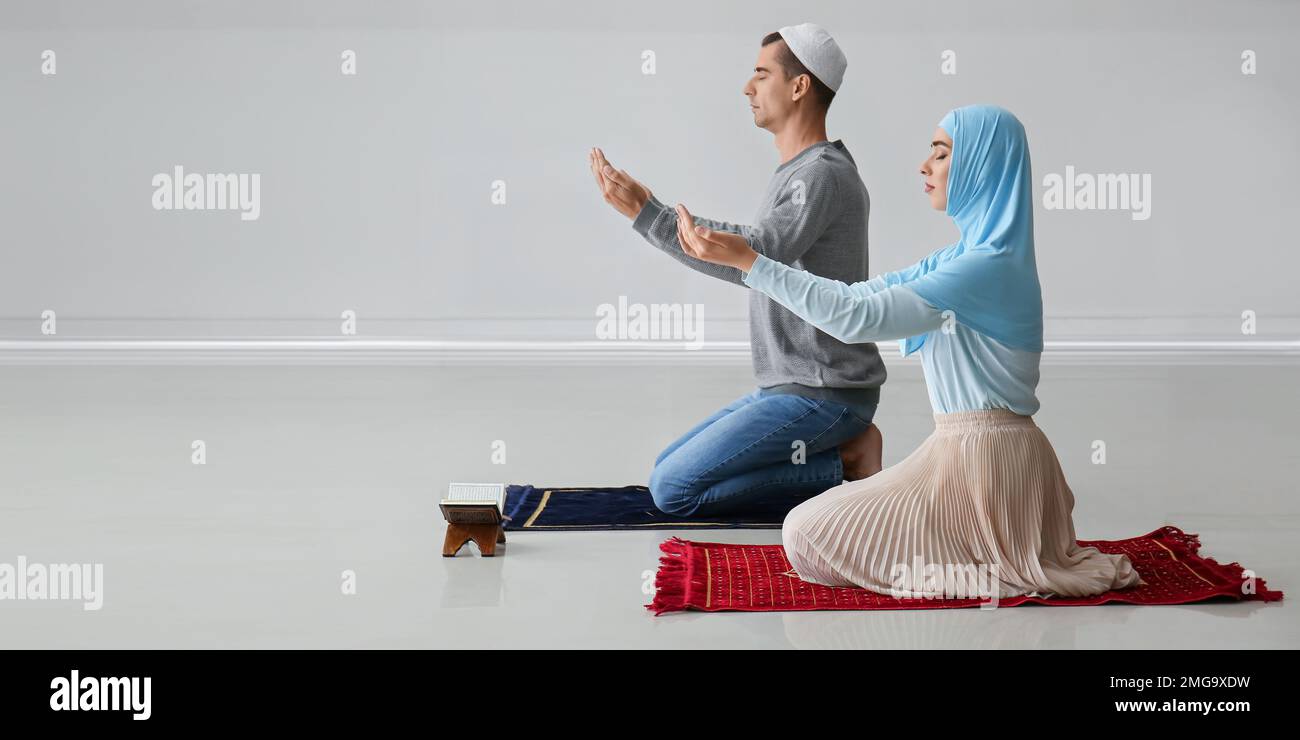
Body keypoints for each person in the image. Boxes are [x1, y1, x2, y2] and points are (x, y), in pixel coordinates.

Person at [676, 104, 1143, 598]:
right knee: (807, 532)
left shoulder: (985, 269)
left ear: (982, 166)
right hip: (961, 456)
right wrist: (748, 259)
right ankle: (962, 550)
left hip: (989, 468)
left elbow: (858, 320)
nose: (925, 166)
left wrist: (753, 263)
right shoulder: (961, 258)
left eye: (941, 154)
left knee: (805, 534)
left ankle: (977, 553)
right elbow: (857, 297)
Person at [589, 23, 888, 518]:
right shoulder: (802, 172)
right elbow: (757, 247)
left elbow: (758, 256)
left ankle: (846, 460)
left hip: (825, 393)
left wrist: (648, 214)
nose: (747, 87)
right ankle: (837, 451)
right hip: (791, 387)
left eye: (760, 74)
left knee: (671, 489)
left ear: (799, 86)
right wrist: (649, 210)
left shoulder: (821, 174)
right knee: (666, 465)